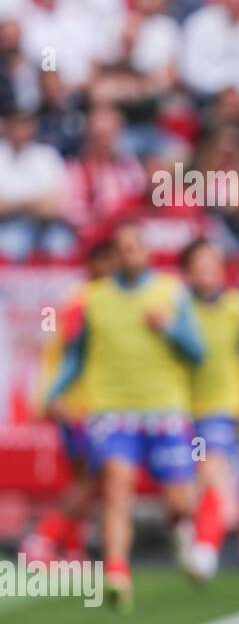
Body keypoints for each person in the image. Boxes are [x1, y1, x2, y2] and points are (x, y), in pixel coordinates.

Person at [44, 221, 205, 609]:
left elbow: (198, 353)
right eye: (123, 248)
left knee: (181, 502)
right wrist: (54, 393)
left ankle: (178, 531)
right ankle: (117, 571)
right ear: (114, 256)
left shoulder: (172, 294)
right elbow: (76, 355)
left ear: (147, 252)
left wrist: (170, 330)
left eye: (136, 246)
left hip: (164, 410)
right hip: (112, 411)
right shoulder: (94, 298)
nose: (130, 254)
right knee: (117, 487)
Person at [22, 239, 119, 564]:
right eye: (108, 262)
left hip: (85, 402)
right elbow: (69, 355)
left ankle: (69, 546)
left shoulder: (80, 299)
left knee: (91, 477)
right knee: (88, 477)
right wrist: (55, 396)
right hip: (77, 404)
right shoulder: (85, 301)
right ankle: (43, 540)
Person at [181, 237, 239, 582]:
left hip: (222, 402)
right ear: (189, 271)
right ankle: (190, 530)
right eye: (200, 266)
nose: (208, 273)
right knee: (183, 493)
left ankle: (205, 549)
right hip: (181, 404)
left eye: (214, 265)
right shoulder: (179, 306)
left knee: (211, 472)